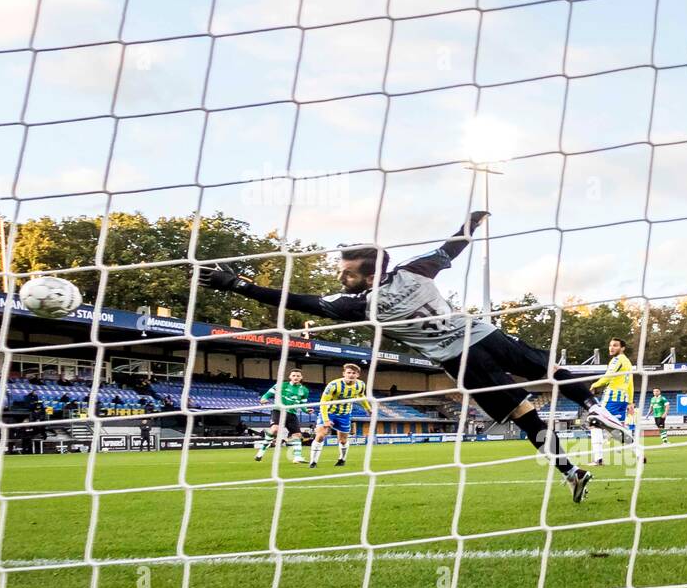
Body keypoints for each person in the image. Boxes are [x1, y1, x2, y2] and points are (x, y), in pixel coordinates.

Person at [197, 211, 631, 501]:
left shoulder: (355, 305)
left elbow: (298, 301)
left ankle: (571, 465)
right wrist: (470, 223)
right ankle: (590, 415)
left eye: (347, 272)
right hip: (480, 332)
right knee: (551, 370)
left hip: (458, 358)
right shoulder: (414, 270)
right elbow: (449, 250)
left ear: (368, 273)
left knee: (524, 417)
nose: (340, 277)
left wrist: (240, 286)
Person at [588, 338, 639, 465]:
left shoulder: (617, 360)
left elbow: (608, 376)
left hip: (612, 397)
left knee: (594, 422)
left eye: (615, 346)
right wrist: (630, 402)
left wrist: (595, 384)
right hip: (623, 398)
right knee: (616, 430)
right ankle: (638, 452)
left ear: (622, 348)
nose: (611, 348)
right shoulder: (627, 362)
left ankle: (598, 459)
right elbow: (630, 384)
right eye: (610, 345)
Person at [309, 363, 372, 468]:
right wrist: (326, 419)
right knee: (321, 435)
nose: (351, 375)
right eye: (348, 372)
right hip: (329, 412)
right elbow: (323, 402)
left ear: (358, 375)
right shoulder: (334, 385)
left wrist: (368, 409)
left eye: (353, 373)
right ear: (344, 373)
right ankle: (313, 462)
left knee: (343, 440)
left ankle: (342, 459)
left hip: (345, 414)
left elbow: (361, 395)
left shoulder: (360, 385)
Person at [255, 367, 309, 463]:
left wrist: (307, 410)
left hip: (291, 413)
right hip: (278, 411)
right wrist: (263, 399)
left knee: (297, 435)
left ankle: (297, 457)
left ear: (301, 377)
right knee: (275, 429)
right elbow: (267, 394)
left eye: (298, 376)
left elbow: (303, 404)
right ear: (290, 377)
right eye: (294, 375)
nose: (295, 377)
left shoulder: (304, 390)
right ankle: (261, 452)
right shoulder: (281, 385)